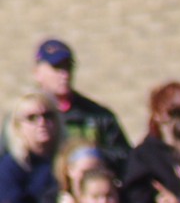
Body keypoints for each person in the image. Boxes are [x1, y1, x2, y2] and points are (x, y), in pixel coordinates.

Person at [23, 40, 131, 175]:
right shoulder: (22, 117)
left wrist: (91, 155)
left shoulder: (97, 115)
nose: (65, 74)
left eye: (68, 66)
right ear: (37, 73)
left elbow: (125, 157)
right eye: (57, 67)